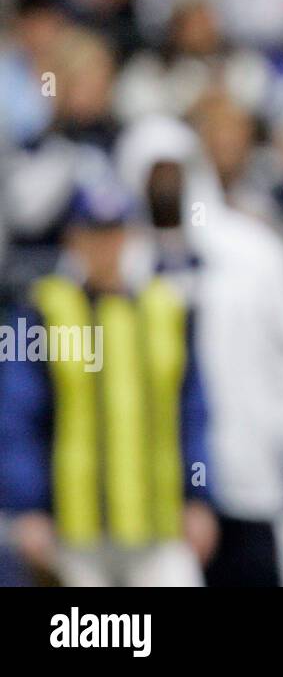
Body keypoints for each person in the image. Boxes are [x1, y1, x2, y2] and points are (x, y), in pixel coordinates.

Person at [115, 114, 283, 587]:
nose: (166, 188)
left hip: (248, 476)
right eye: (154, 175)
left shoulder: (254, 253)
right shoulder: (119, 267)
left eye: (175, 172)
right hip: (149, 494)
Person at [0, 179, 215, 587]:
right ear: (72, 240)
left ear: (131, 236)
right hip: (75, 527)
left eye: (114, 233)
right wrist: (27, 508)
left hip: (157, 521)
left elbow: (192, 414)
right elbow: (17, 417)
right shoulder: (42, 311)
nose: (104, 247)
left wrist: (199, 496)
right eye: (93, 235)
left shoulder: (164, 307)